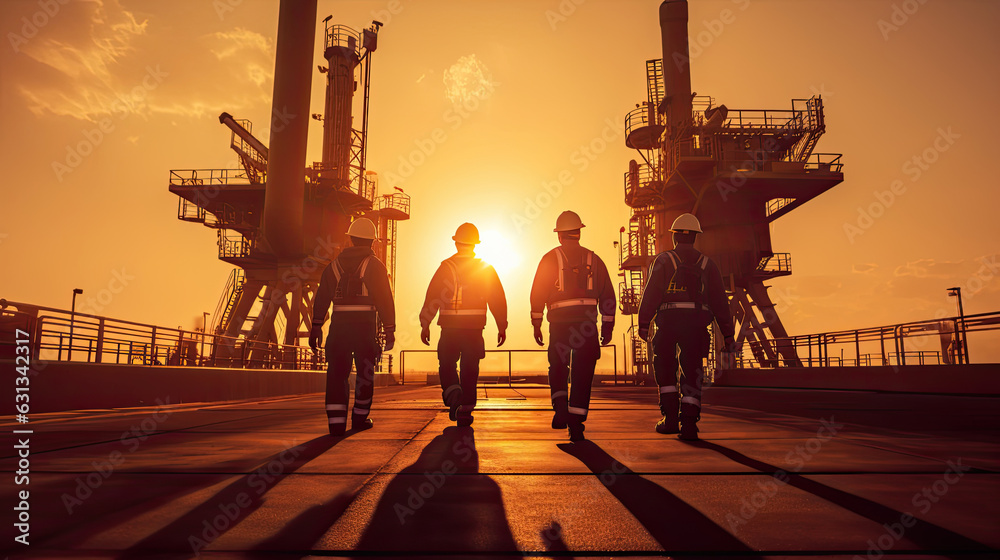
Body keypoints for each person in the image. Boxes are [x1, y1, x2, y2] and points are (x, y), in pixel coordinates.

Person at [637, 212, 735, 441]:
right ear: (695, 237)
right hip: (696, 324)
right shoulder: (707, 265)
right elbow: (720, 302)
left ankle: (670, 419)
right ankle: (689, 423)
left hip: (669, 322)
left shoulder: (663, 261)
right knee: (692, 371)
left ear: (674, 237)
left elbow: (651, 294)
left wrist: (644, 324)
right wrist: (728, 334)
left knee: (665, 369)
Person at [530, 211, 616, 442]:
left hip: (559, 326)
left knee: (558, 366)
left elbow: (537, 292)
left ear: (559, 236)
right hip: (587, 327)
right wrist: (607, 326)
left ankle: (560, 409)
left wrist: (536, 322)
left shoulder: (549, 259)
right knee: (583, 373)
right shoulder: (594, 260)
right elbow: (608, 294)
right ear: (579, 232)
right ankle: (576, 425)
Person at [310, 218, 395, 436]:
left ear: (350, 239)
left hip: (339, 330)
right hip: (364, 330)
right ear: (372, 242)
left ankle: (336, 424)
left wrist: (316, 327)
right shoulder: (375, 267)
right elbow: (385, 300)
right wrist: (390, 330)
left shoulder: (333, 267)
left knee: (337, 374)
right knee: (365, 374)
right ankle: (359, 419)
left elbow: (321, 298)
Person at [420, 223, 508, 427]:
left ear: (457, 243)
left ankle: (454, 395)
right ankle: (465, 411)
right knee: (470, 369)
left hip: (450, 328)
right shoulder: (485, 268)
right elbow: (497, 298)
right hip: (474, 329)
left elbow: (432, 297)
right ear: (475, 244)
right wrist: (501, 325)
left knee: (447, 364)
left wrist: (425, 323)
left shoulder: (445, 267)